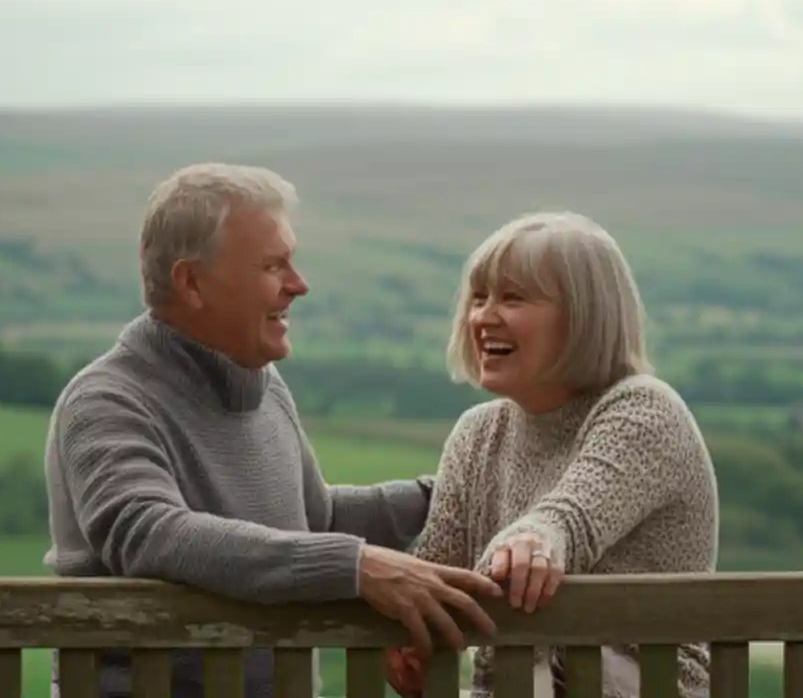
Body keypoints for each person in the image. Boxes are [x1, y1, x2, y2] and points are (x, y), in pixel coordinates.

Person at [43, 163, 501, 698]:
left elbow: (315, 519)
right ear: (191, 283)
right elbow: (149, 534)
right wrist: (355, 566)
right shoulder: (106, 400)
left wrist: (457, 493)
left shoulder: (264, 384)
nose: (298, 285)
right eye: (272, 266)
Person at [386, 212, 719, 698]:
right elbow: (438, 576)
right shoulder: (477, 432)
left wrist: (534, 540)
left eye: (513, 298)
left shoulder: (644, 410)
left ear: (585, 317)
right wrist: (414, 641)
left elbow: (571, 517)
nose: (483, 317)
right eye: (478, 298)